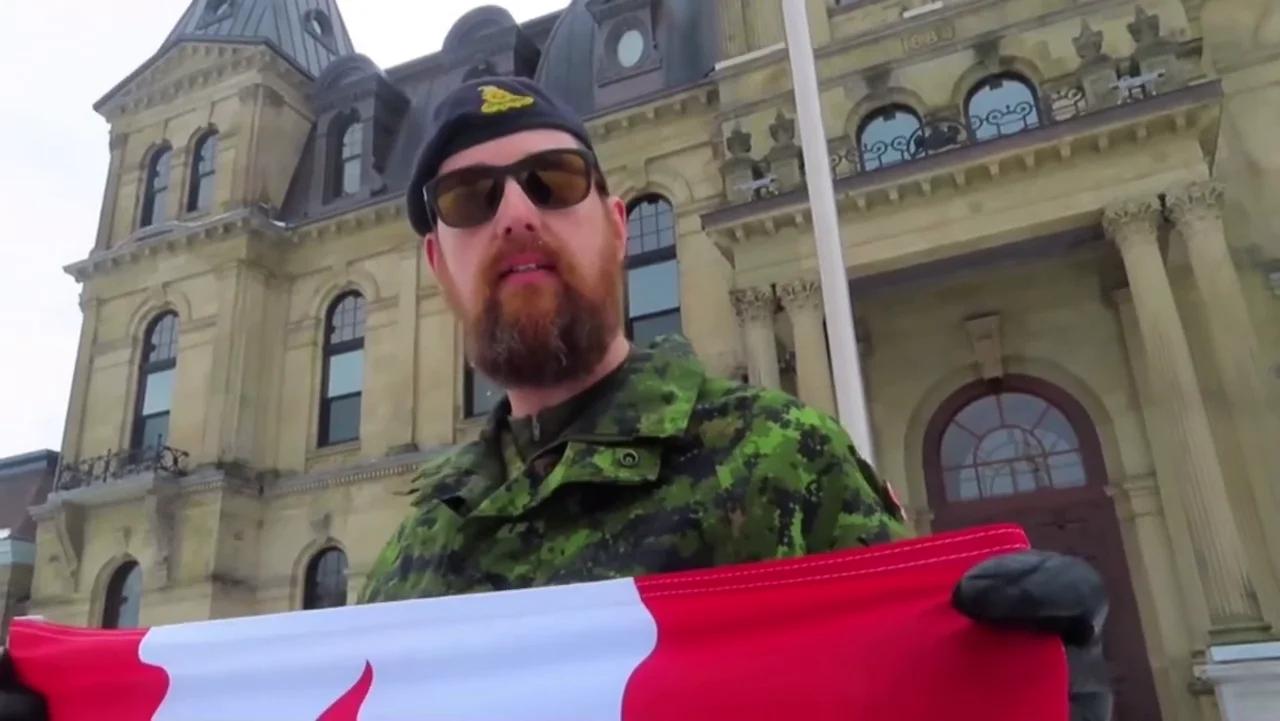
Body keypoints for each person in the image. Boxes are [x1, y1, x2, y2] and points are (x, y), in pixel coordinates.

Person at [0, 77, 1111, 721]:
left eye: (554, 181)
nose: (517, 212)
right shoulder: (415, 552)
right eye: (471, 198)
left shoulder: (778, 464)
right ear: (439, 267)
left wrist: (1033, 687)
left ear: (615, 226)